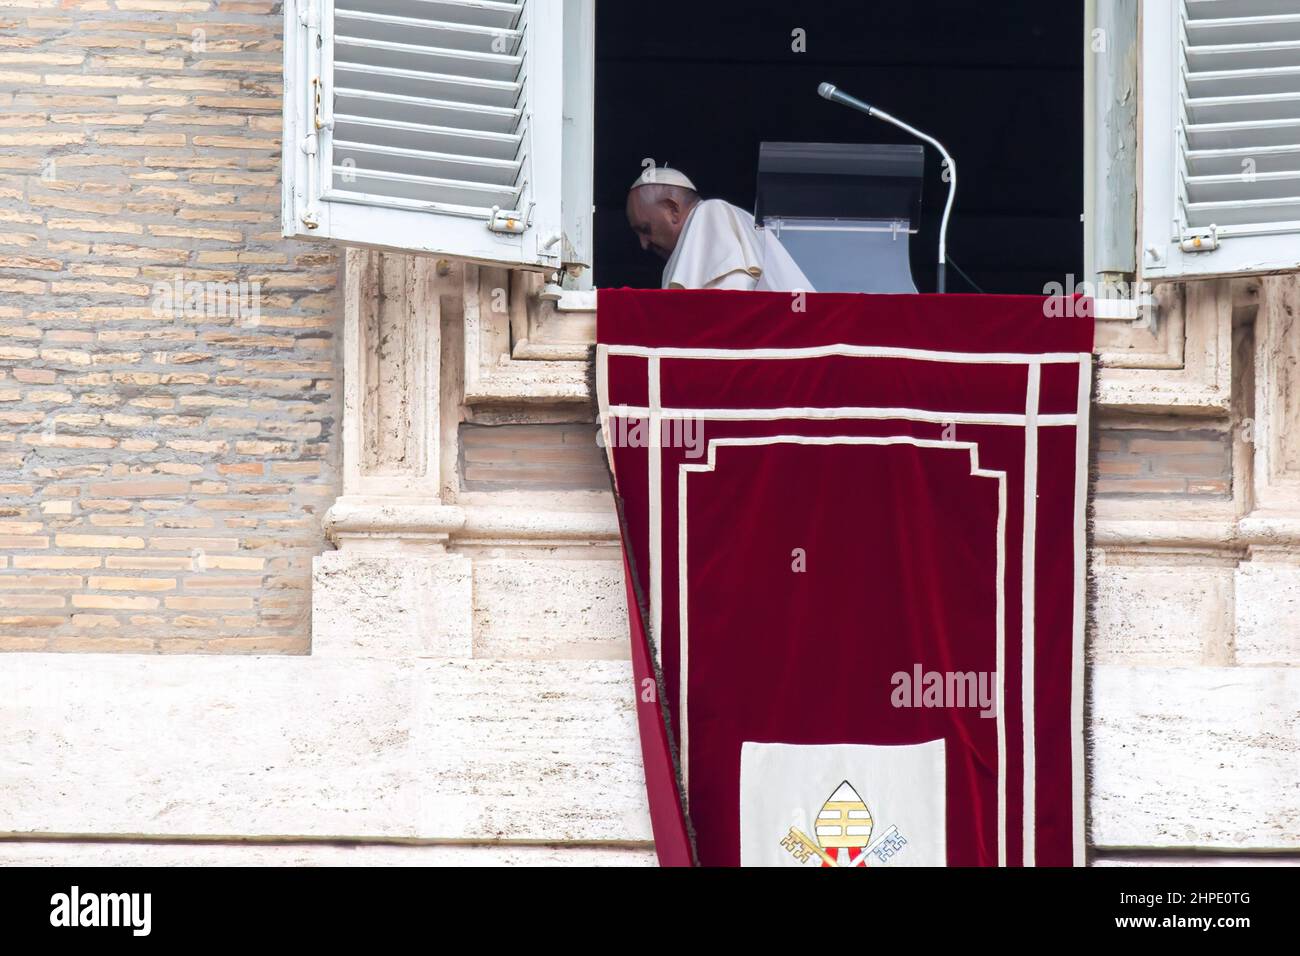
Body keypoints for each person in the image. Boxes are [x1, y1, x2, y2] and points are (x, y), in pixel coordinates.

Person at [625, 166, 815, 292]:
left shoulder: (711, 213)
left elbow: (731, 298)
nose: (644, 244)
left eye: (645, 229)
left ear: (673, 209)